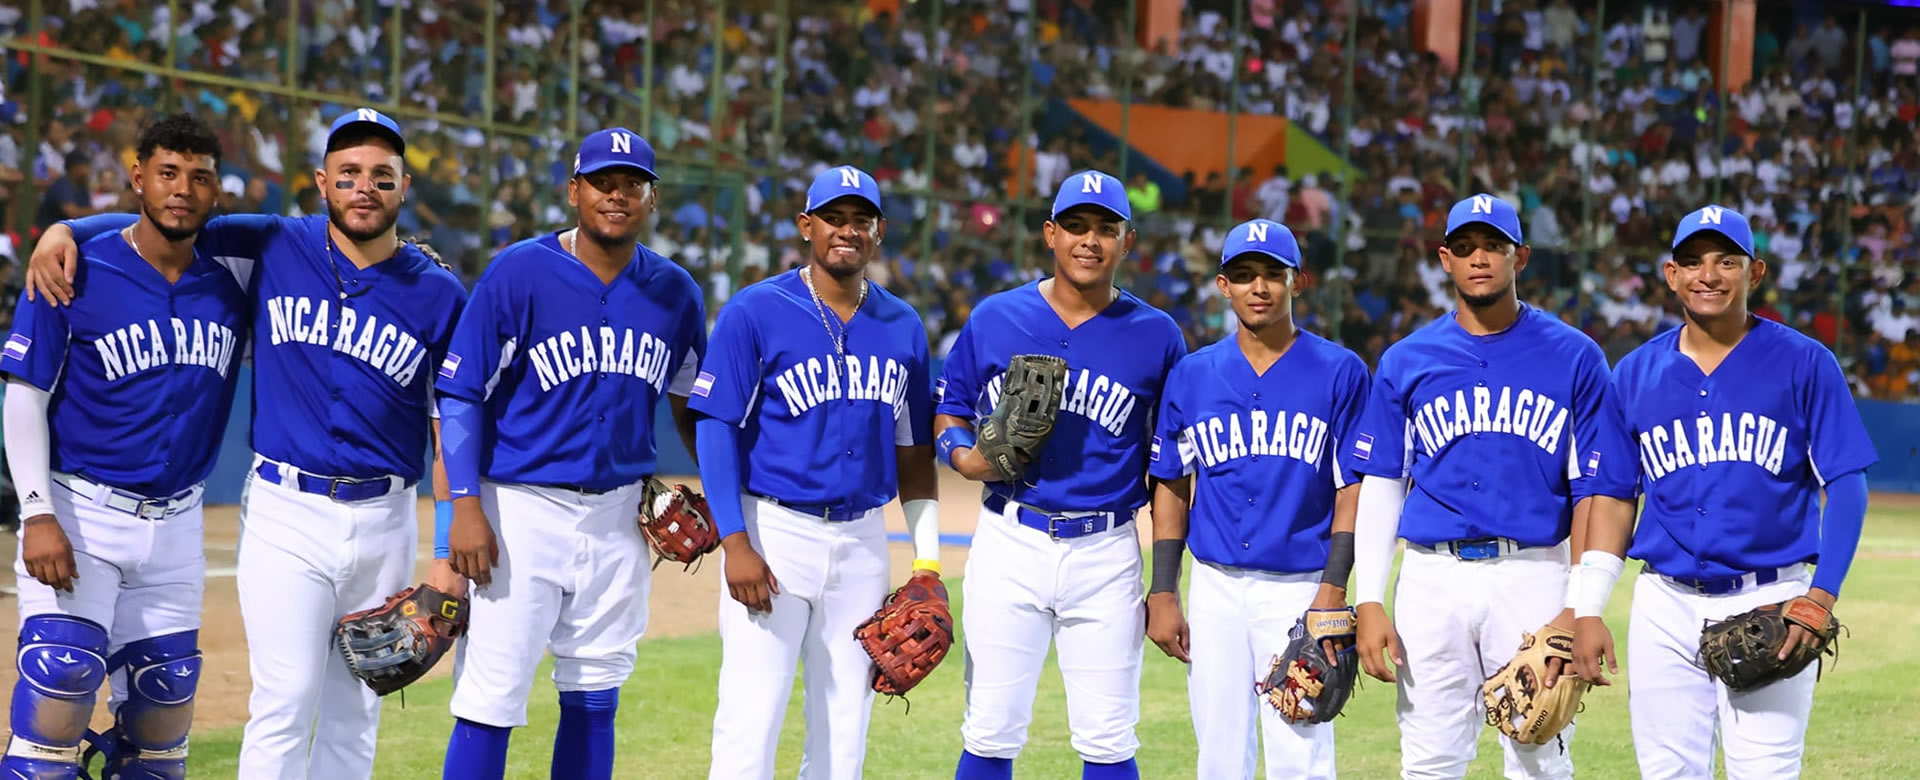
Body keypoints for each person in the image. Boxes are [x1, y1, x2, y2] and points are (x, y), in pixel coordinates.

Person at [30, 107, 469, 780]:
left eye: (382, 177)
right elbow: (160, 223)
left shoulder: (439, 292)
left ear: (404, 187)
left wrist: (444, 552)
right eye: (349, 174)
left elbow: (452, 425)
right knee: (286, 699)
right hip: (286, 510)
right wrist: (62, 230)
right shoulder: (270, 243)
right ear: (322, 182)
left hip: (385, 517)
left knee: (357, 708)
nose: (364, 188)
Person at [434, 127, 707, 780]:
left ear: (650, 199)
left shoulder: (676, 294)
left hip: (619, 516)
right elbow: (461, 393)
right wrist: (463, 511)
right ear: (574, 191)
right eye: (603, 183)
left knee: (595, 693)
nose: (617, 196)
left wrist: (720, 490)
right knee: (491, 697)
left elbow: (691, 405)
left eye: (632, 184)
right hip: (520, 508)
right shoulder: (518, 272)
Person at [1570, 205, 1876, 779]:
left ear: (1754, 273)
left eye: (1725, 261)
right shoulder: (1634, 373)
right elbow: (1612, 497)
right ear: (1671, 275)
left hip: (1771, 600)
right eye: (1692, 262)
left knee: (1765, 771)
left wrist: (1822, 595)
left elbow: (1847, 483)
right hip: (1663, 603)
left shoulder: (1805, 363)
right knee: (1667, 773)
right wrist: (1587, 607)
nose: (1707, 275)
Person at [0, 113, 244, 780]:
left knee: (160, 731)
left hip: (177, 529)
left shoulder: (233, 281)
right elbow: (25, 394)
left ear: (216, 190)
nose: (182, 190)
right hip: (80, 517)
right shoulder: (74, 268)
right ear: (137, 179)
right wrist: (37, 512)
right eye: (167, 173)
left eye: (198, 177)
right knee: (57, 698)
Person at [1346, 194, 1618, 780]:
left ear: (1519, 256)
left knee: (1539, 750)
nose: (1479, 258)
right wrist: (1369, 597)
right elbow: (1384, 484)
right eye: (1465, 247)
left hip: (1533, 572)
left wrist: (1580, 605)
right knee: (1429, 758)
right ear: (1445, 258)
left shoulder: (1575, 356)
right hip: (1430, 577)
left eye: (1493, 246)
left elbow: (1595, 489)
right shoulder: (1406, 359)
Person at [936, 170, 1187, 780]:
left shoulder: (1158, 335)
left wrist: (1164, 586)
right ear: (1050, 234)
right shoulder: (997, 316)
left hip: (1106, 551)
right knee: (991, 728)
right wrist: (961, 456)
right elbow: (949, 407)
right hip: (1010, 539)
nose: (1089, 241)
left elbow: (1171, 471)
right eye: (1075, 226)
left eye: (1106, 229)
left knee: (1107, 738)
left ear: (1127, 241)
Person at [694, 165, 941, 780]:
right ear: (807, 226)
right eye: (834, 217)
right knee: (751, 719)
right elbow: (715, 426)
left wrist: (928, 562)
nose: (847, 230)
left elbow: (914, 453)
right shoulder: (757, 309)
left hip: (861, 540)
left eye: (861, 219)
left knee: (844, 729)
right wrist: (735, 540)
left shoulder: (902, 324)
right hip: (775, 532)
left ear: (879, 232)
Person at [1144, 218, 1371, 780]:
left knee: (1302, 754)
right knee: (1218, 755)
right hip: (1215, 588)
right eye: (1244, 275)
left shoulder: (1340, 372)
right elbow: (1172, 482)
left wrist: (1332, 591)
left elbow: (1354, 490)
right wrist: (1164, 589)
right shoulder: (1193, 375)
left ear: (1300, 281)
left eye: (1273, 273)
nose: (1260, 287)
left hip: (1299, 588)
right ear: (1223, 286)